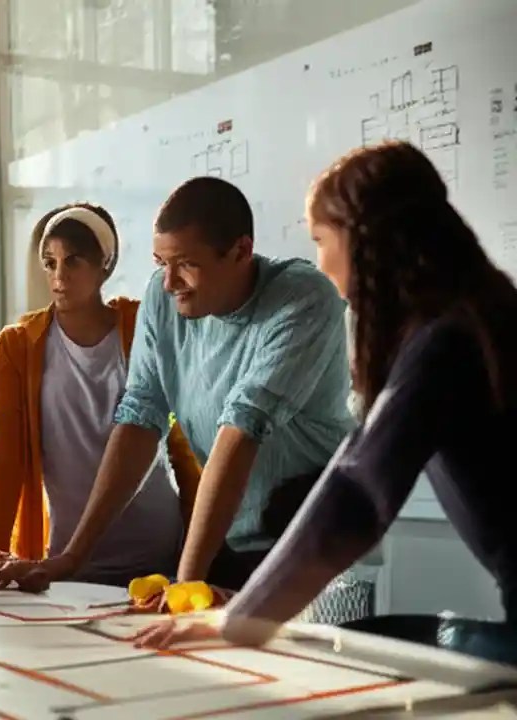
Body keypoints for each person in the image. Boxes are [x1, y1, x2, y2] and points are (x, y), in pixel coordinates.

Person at [135, 141, 517, 649]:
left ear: (366, 240)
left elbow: (357, 493)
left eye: (321, 238)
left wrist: (238, 622)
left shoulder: (446, 341)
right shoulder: (474, 317)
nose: (323, 264)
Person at [0, 176, 353, 593]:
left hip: (318, 538)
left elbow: (243, 426)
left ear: (241, 252)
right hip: (233, 537)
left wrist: (188, 582)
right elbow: (140, 417)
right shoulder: (162, 301)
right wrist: (70, 558)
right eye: (162, 263)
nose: (170, 281)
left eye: (186, 264)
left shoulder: (302, 298)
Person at [0, 203, 204, 586]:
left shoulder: (140, 325)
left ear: (105, 264)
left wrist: (201, 550)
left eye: (74, 262)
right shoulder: (18, 345)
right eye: (50, 263)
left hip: (156, 548)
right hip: (68, 554)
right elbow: (6, 457)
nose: (59, 276)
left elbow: (182, 443)